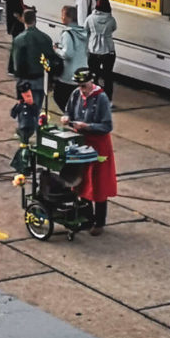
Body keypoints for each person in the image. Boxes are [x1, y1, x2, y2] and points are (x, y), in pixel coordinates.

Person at [63, 74, 118, 232]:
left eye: (84, 86)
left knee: (99, 183)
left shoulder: (101, 98)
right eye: (79, 86)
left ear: (91, 82)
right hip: (81, 142)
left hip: (98, 145)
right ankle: (87, 217)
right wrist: (67, 118)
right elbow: (68, 111)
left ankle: (99, 222)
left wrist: (88, 126)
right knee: (81, 180)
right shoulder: (76, 94)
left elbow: (107, 126)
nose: (82, 90)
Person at [7, 6, 56, 140]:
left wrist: (15, 75)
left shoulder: (19, 39)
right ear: (35, 20)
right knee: (37, 109)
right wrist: (51, 80)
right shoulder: (46, 38)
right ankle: (35, 131)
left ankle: (25, 135)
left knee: (25, 110)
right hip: (41, 81)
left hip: (25, 82)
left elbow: (16, 63)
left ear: (23, 20)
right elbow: (51, 60)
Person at [51, 4, 85, 112]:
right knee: (76, 99)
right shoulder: (83, 32)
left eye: (63, 15)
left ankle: (70, 117)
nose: (61, 18)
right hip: (82, 71)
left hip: (69, 74)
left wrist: (56, 50)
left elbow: (67, 54)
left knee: (58, 96)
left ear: (69, 18)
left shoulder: (67, 33)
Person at [85, 0, 118, 99]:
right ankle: (108, 99)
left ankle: (94, 97)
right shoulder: (111, 20)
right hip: (108, 51)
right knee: (108, 76)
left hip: (93, 50)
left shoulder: (90, 18)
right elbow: (114, 28)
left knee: (93, 76)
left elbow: (85, 30)